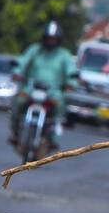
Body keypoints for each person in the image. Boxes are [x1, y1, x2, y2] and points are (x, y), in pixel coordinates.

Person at [9, 20, 76, 148]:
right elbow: (22, 62)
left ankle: (52, 137)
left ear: (58, 39)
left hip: (53, 92)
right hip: (31, 88)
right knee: (18, 101)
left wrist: (71, 82)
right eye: (49, 38)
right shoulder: (34, 50)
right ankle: (15, 132)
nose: (51, 41)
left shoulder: (64, 55)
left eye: (54, 39)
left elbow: (71, 71)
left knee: (60, 104)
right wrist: (17, 72)